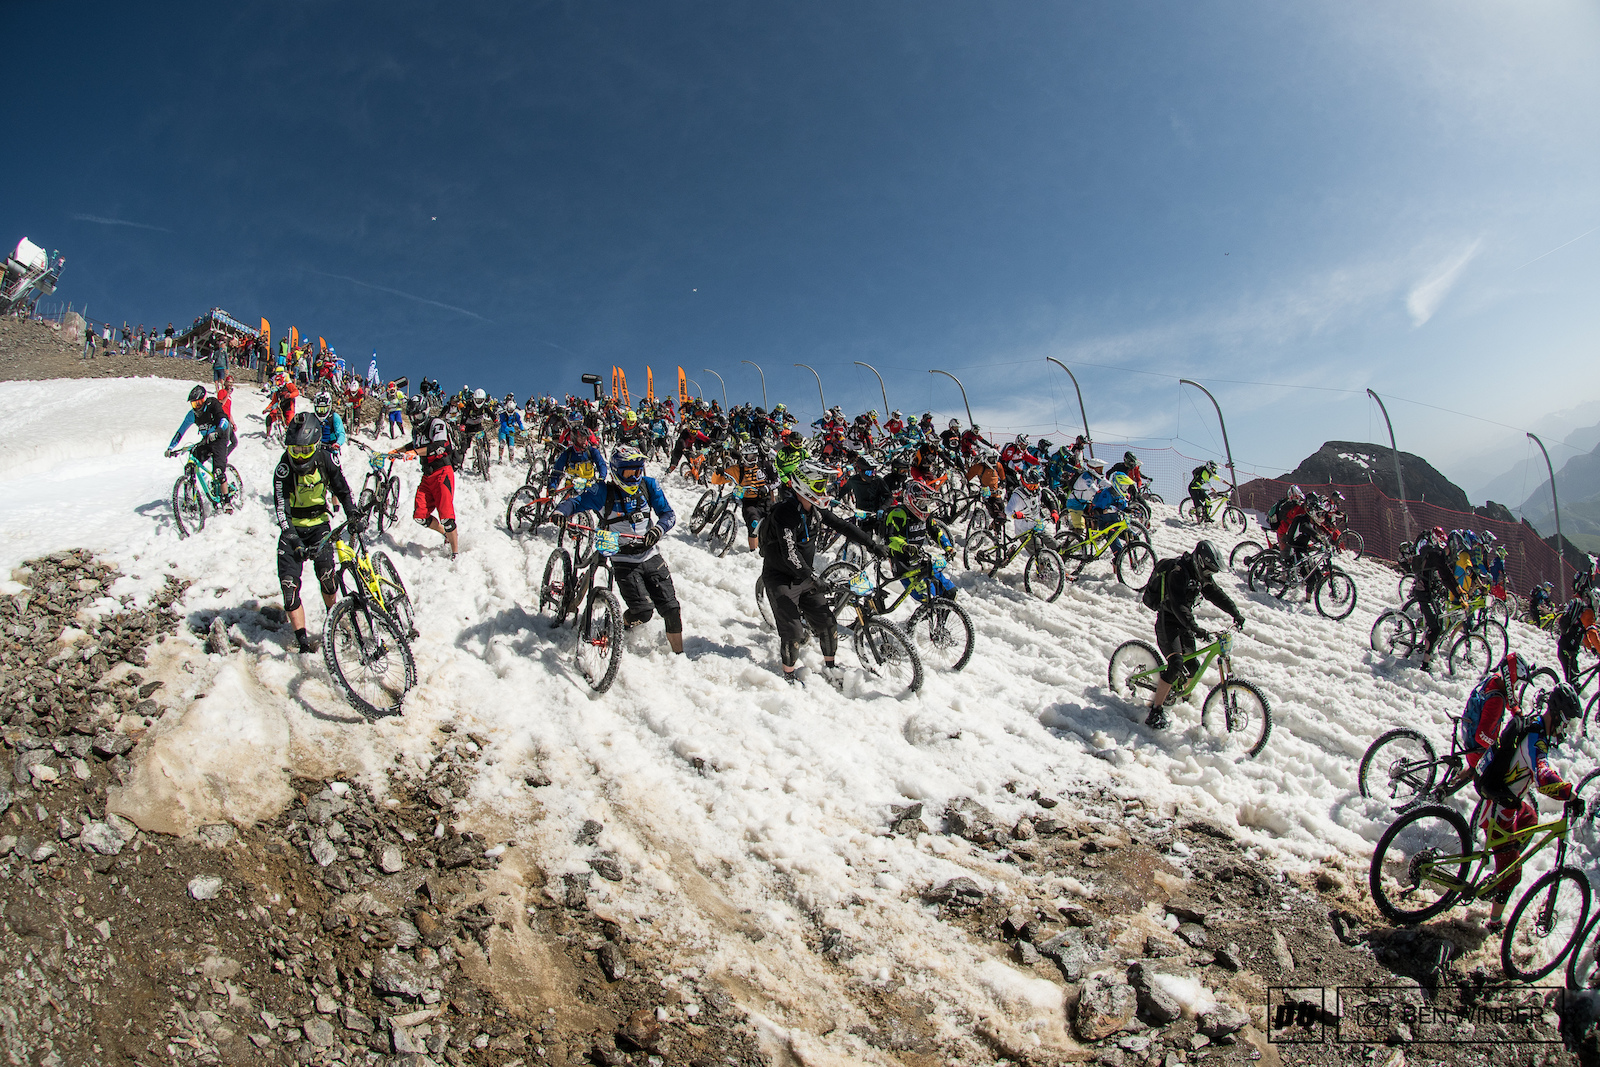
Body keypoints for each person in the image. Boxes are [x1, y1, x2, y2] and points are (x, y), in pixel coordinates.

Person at [1472, 681, 1582, 931]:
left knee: (1530, 819)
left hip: (1504, 799)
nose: (1567, 730)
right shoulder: (1537, 741)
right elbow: (1544, 779)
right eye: (1568, 723)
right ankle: (1494, 922)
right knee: (1514, 876)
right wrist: (1570, 795)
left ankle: (1504, 858)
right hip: (1500, 811)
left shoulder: (1535, 726)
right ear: (1558, 715)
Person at [553, 447, 683, 654]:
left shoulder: (649, 485)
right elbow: (575, 502)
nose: (634, 477)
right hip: (620, 556)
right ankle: (622, 624)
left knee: (672, 609)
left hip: (650, 554)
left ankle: (679, 657)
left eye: (638, 471)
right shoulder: (602, 491)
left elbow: (668, 514)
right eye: (628, 473)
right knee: (643, 612)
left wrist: (658, 530)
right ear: (615, 471)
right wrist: (561, 511)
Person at [759, 475, 885, 686]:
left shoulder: (816, 510)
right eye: (818, 486)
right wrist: (811, 577)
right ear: (802, 488)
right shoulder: (785, 513)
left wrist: (872, 545)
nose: (824, 491)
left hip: (804, 575)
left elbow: (844, 526)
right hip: (779, 577)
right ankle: (788, 676)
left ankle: (831, 667)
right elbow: (789, 553)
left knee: (827, 623)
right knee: (793, 633)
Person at [273, 412, 358, 654]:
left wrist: (351, 514)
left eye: (304, 450)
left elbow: (342, 489)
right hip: (293, 530)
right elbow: (281, 508)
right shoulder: (283, 468)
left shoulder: (326, 459)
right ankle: (302, 641)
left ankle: (336, 622)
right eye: (294, 450)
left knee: (327, 578)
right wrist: (293, 539)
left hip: (319, 524)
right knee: (289, 587)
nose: (298, 456)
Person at [1141, 540, 1245, 729]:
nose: (1210, 576)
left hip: (1183, 623)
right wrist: (1195, 627)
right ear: (1200, 562)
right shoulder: (1178, 573)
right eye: (1209, 572)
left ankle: (1177, 694)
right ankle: (1155, 710)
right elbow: (1177, 605)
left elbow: (1217, 594)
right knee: (1176, 665)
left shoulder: (1199, 575)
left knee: (1193, 668)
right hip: (1168, 621)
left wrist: (1235, 613)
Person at [401, 395, 459, 559]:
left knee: (447, 516)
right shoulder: (415, 430)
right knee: (420, 516)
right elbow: (413, 445)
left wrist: (414, 453)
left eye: (418, 416)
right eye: (412, 417)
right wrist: (397, 451)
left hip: (442, 472)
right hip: (427, 476)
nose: (415, 420)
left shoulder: (437, 424)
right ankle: (444, 534)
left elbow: (438, 446)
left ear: (425, 412)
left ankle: (455, 553)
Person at [167, 385, 237, 508]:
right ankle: (190, 498)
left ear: (204, 400)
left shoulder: (212, 404)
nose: (196, 407)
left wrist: (218, 431)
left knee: (219, 470)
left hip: (221, 437)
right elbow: (180, 431)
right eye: (193, 404)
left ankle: (227, 502)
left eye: (198, 403)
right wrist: (170, 448)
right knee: (191, 462)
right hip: (207, 439)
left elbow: (223, 419)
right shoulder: (192, 415)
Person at [1412, 526, 1462, 670]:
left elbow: (1445, 576)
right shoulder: (1437, 555)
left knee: (1437, 619)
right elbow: (1447, 576)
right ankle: (1425, 663)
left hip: (1425, 592)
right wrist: (1459, 593)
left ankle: (1426, 645)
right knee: (1436, 627)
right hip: (1424, 593)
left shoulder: (1430, 551)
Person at [726, 441, 776, 551]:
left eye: (755, 457)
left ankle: (767, 549)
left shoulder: (765, 465)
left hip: (766, 500)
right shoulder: (739, 468)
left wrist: (767, 488)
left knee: (771, 526)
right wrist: (719, 472)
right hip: (749, 502)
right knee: (753, 524)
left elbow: (777, 480)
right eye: (750, 457)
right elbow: (720, 478)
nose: (752, 460)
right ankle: (753, 552)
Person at [1557, 592, 1599, 686]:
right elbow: (1592, 633)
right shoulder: (1588, 614)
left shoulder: (1582, 612)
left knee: (1574, 680)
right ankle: (1554, 699)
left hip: (1566, 648)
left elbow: (1582, 635)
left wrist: (1591, 647)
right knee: (1572, 684)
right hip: (1568, 650)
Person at [312, 393, 347, 460]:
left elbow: (341, 433)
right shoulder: (312, 417)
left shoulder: (334, 417)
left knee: (333, 469)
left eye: (324, 409)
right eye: (319, 409)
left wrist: (337, 443)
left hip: (330, 449)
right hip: (315, 449)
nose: (321, 412)